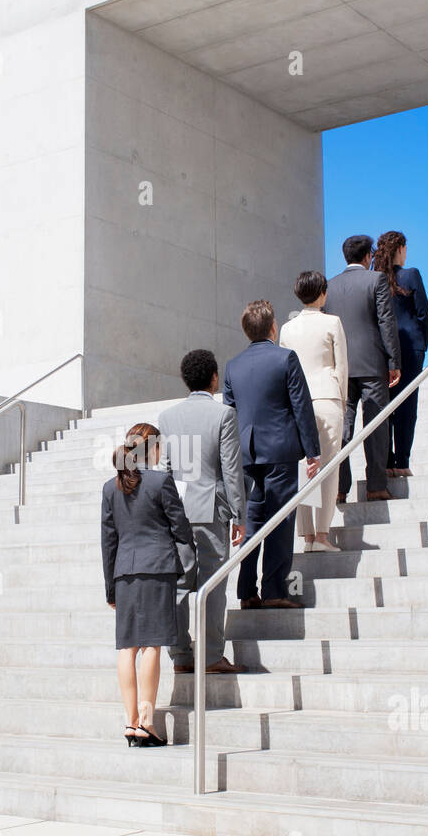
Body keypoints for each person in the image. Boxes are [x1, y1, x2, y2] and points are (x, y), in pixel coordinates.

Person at [222, 300, 321, 610]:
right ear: (273, 327)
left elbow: (229, 416)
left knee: (251, 522)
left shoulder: (232, 366)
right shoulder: (285, 358)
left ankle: (247, 592)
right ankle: (275, 591)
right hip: (280, 450)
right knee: (280, 518)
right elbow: (301, 406)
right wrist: (312, 451)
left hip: (245, 454)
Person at [101, 423, 195, 747]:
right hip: (156, 568)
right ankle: (147, 722)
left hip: (124, 573)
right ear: (152, 447)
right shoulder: (160, 480)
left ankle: (130, 723)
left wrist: (110, 588)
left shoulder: (110, 488)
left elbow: (108, 541)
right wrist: (189, 551)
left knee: (127, 647)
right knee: (152, 644)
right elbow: (180, 525)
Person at [158, 350, 248, 674]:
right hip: (211, 508)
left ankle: (181, 656)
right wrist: (239, 514)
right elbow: (231, 469)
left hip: (177, 510)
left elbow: (165, 469)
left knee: (181, 583)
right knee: (212, 584)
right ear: (213, 378)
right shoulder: (224, 415)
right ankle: (211, 656)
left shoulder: (167, 417)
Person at [323, 235, 401, 504]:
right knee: (376, 424)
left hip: (340, 368)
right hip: (372, 364)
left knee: (342, 430)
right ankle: (376, 486)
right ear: (368, 256)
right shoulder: (376, 280)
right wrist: (394, 362)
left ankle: (339, 489)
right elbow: (386, 322)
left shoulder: (329, 286)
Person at [279, 271, 349, 553]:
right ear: (322, 292)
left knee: (304, 469)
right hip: (327, 397)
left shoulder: (287, 328)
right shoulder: (333, 322)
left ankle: (307, 537)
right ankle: (321, 535)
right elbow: (341, 366)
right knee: (329, 468)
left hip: (298, 402)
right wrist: (342, 401)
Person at [373, 230, 428, 477]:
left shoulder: (375, 279)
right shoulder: (411, 275)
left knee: (385, 406)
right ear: (400, 249)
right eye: (405, 248)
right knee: (408, 404)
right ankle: (402, 462)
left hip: (382, 350)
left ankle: (386, 462)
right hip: (410, 347)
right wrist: (422, 344)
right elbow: (423, 313)